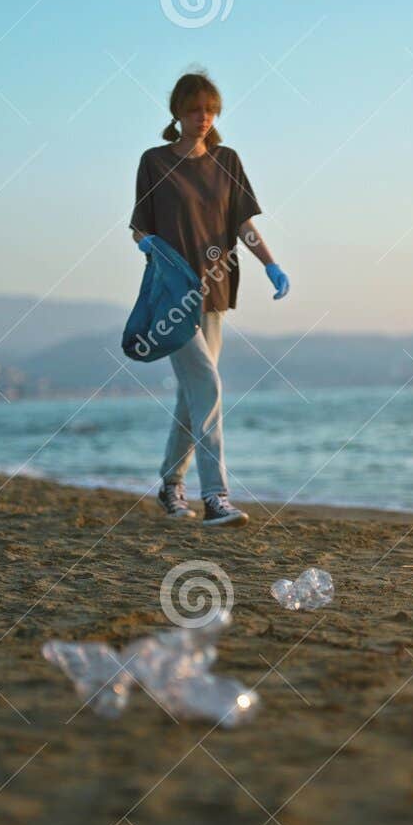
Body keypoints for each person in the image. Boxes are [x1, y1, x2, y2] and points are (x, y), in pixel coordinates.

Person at [130, 71, 290, 528]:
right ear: (178, 112)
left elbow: (243, 224)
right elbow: (140, 225)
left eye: (211, 109)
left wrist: (270, 263)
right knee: (209, 387)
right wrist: (147, 246)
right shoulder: (155, 162)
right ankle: (215, 495)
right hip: (172, 295)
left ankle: (169, 485)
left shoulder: (227, 161)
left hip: (216, 291)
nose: (204, 118)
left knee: (194, 394)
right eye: (196, 109)